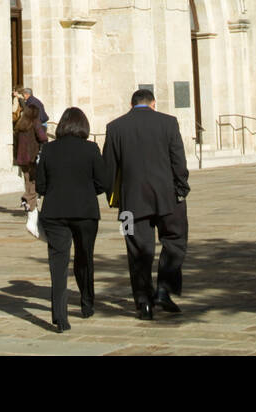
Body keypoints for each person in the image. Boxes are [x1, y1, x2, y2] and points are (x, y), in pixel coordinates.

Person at [103, 88, 190, 319]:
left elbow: (109, 167)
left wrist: (113, 196)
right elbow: (178, 160)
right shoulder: (168, 123)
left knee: (137, 250)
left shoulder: (115, 127)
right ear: (153, 103)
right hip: (169, 198)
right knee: (175, 241)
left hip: (130, 202)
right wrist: (182, 188)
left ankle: (144, 302)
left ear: (131, 105)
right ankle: (164, 289)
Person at [35, 107, 108, 332]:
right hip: (85, 211)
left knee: (58, 264)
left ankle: (60, 316)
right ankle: (87, 303)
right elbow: (102, 182)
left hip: (55, 212)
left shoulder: (48, 149)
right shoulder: (91, 148)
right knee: (85, 256)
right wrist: (86, 192)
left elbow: (41, 186)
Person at [13, 100, 48, 212]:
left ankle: (29, 204)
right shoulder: (35, 122)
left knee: (27, 180)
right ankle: (28, 200)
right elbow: (43, 138)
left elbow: (16, 143)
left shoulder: (20, 124)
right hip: (32, 157)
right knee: (33, 181)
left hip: (21, 157)